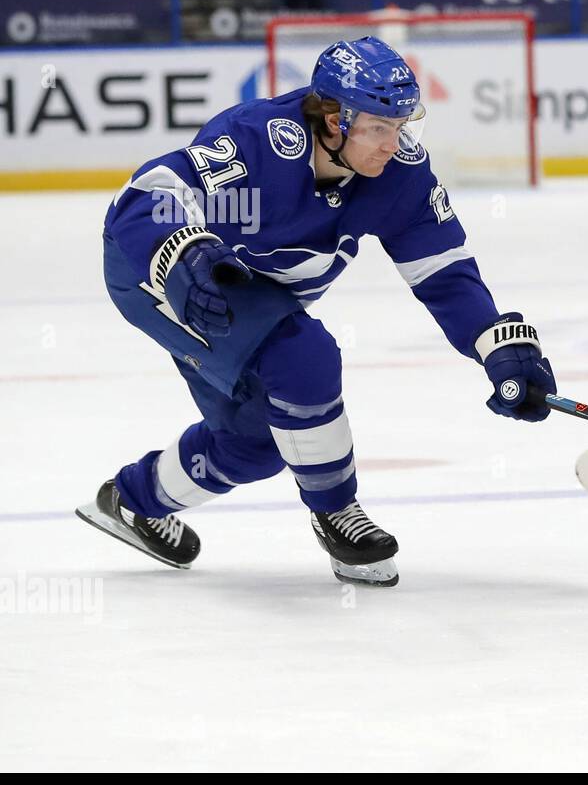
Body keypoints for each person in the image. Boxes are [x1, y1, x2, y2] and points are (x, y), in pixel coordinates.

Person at [76, 36, 556, 587]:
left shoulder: (399, 176)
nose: (391, 144)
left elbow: (445, 274)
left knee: (256, 444)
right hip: (161, 274)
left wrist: (497, 344)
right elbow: (151, 194)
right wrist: (182, 252)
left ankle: (132, 499)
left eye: (401, 126)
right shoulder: (258, 145)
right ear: (332, 120)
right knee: (302, 357)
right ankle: (336, 513)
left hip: (251, 291)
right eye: (378, 127)